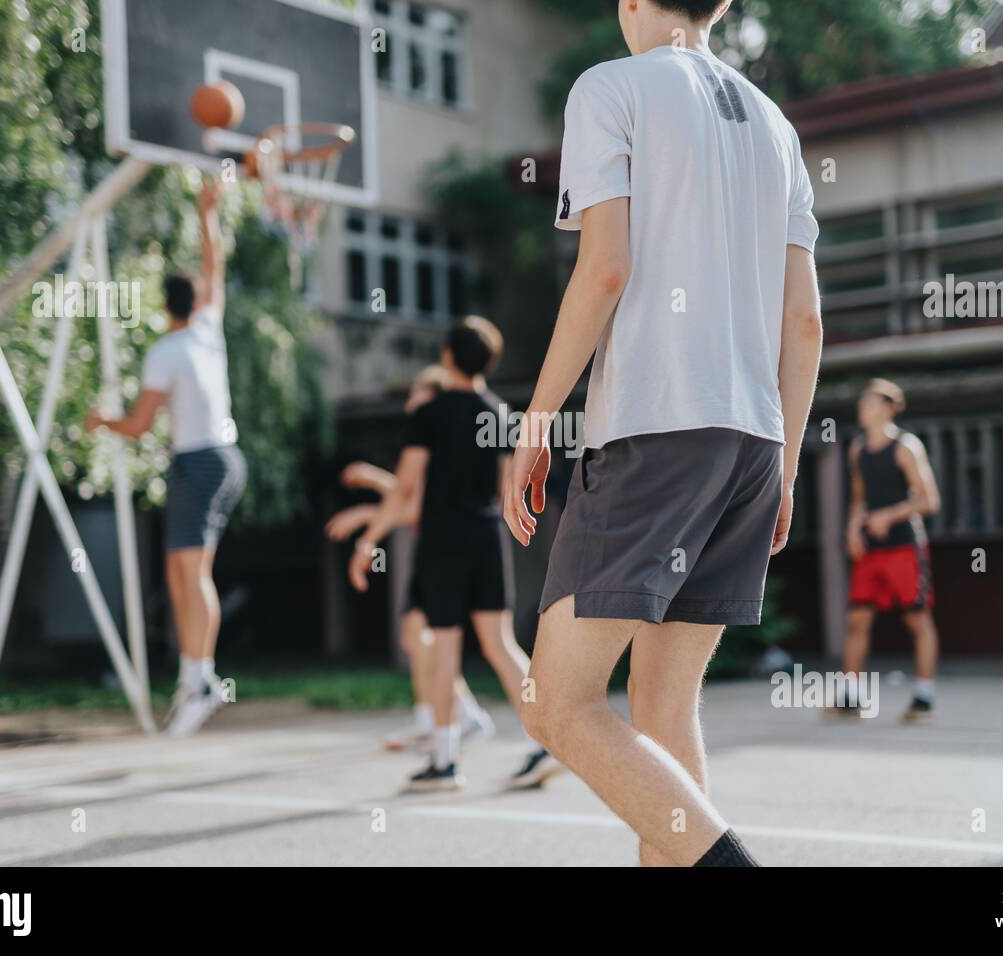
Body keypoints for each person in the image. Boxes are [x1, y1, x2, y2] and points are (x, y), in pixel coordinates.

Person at [503, 0, 822, 866]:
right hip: (752, 440)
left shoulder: (611, 88)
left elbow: (606, 265)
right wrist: (785, 468)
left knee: (555, 703)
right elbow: (805, 324)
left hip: (656, 427)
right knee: (664, 708)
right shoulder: (776, 125)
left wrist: (536, 422)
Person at [349, 317, 560, 793]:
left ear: (446, 357)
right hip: (487, 535)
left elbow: (407, 487)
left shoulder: (431, 413)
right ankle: (548, 740)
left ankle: (444, 762)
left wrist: (369, 537)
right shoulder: (499, 413)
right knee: (501, 644)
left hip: (443, 539)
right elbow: (512, 485)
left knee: (444, 644)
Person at [86, 177, 247, 737]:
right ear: (195, 303)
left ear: (163, 306)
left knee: (190, 572)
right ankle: (193, 676)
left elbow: (135, 427)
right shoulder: (207, 331)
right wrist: (207, 213)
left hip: (200, 461)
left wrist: (100, 419)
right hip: (225, 459)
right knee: (182, 574)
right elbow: (216, 268)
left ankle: (201, 680)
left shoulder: (166, 350)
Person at [324, 365, 496, 751]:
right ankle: (451, 715)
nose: (409, 404)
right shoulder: (439, 433)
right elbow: (410, 492)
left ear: (434, 396)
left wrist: (367, 517)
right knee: (419, 636)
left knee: (435, 639)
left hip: (444, 550)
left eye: (416, 395)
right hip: (440, 548)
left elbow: (416, 503)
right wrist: (373, 487)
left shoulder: (436, 430)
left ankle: (451, 720)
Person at [837, 378, 942, 721]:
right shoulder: (857, 449)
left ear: (889, 408)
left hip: (904, 547)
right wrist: (853, 528)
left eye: (869, 403)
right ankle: (851, 698)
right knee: (857, 620)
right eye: (861, 403)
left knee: (916, 619)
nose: (862, 409)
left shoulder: (905, 446)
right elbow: (859, 498)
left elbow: (929, 500)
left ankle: (923, 697)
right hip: (871, 549)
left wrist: (889, 514)